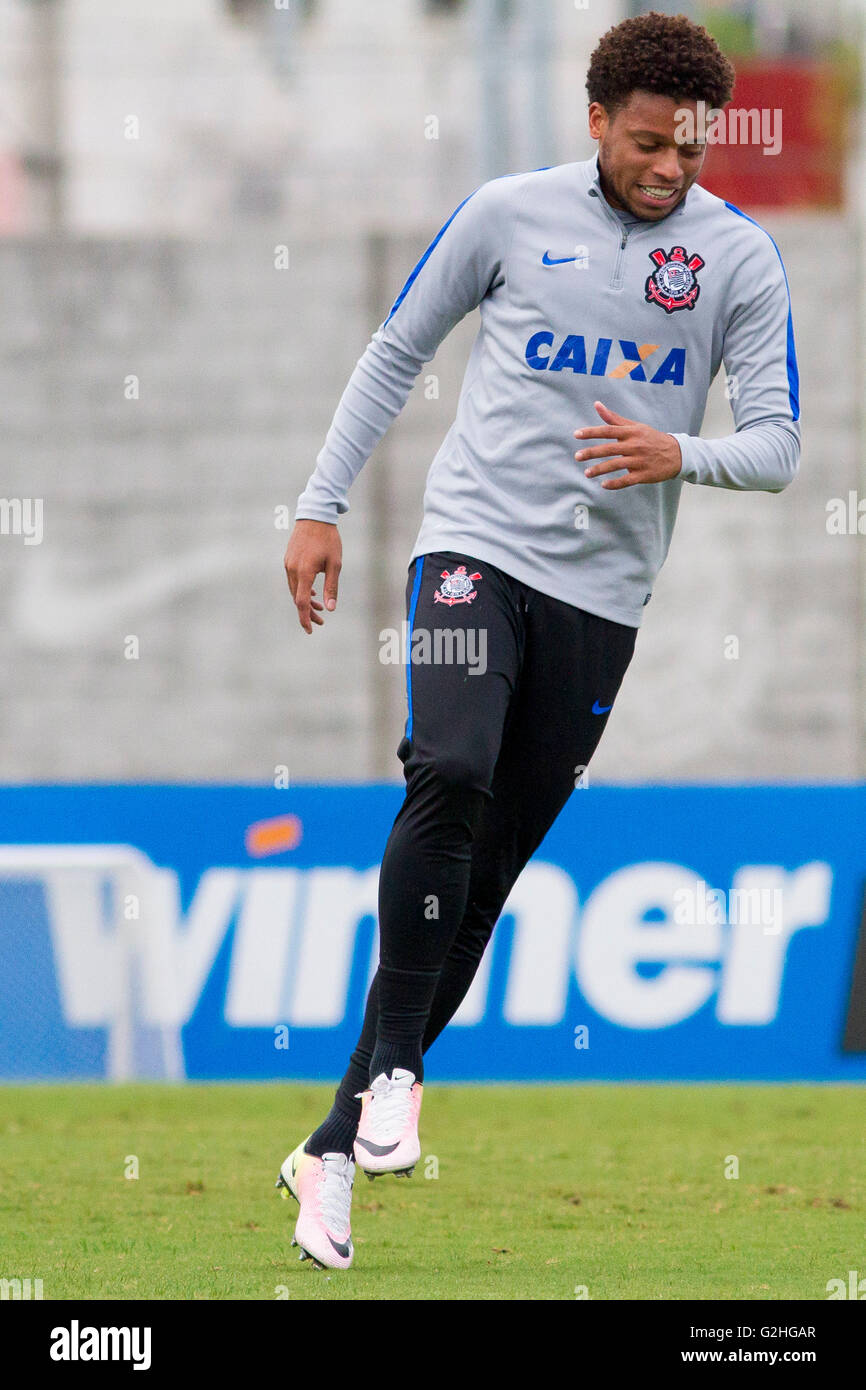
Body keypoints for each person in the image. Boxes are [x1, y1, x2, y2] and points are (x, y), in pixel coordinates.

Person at [276, 10, 800, 1270]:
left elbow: (779, 448)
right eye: (645, 145)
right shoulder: (507, 212)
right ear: (595, 122)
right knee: (445, 768)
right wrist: (317, 502)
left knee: (486, 881)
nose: (670, 170)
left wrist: (684, 452)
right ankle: (399, 1069)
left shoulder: (739, 262)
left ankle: (332, 1145)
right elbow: (396, 350)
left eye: (690, 148)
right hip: (470, 553)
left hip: (600, 604)